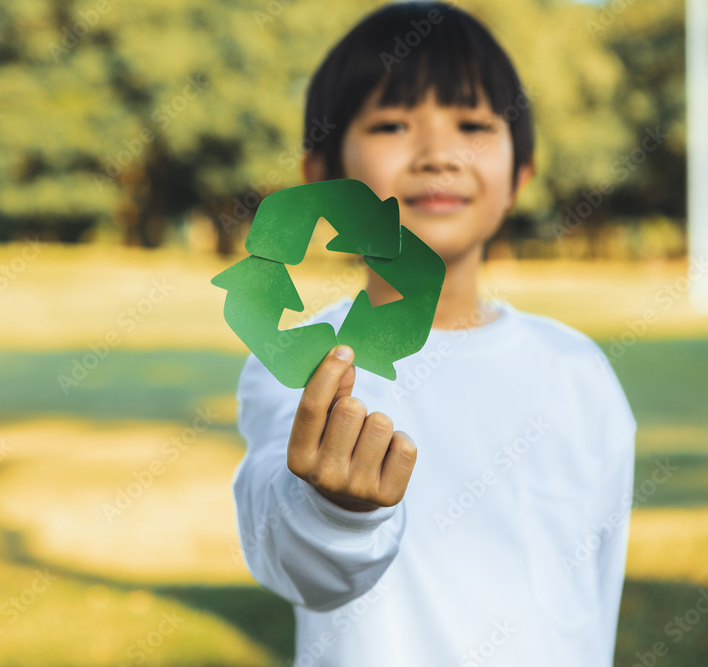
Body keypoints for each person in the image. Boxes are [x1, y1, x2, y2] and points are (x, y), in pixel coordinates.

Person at [231, 2, 637, 665]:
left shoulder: (578, 369)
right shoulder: (307, 363)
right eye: (392, 123)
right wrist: (334, 513)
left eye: (473, 124)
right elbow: (290, 553)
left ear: (520, 177)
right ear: (322, 178)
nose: (439, 154)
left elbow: (593, 588)